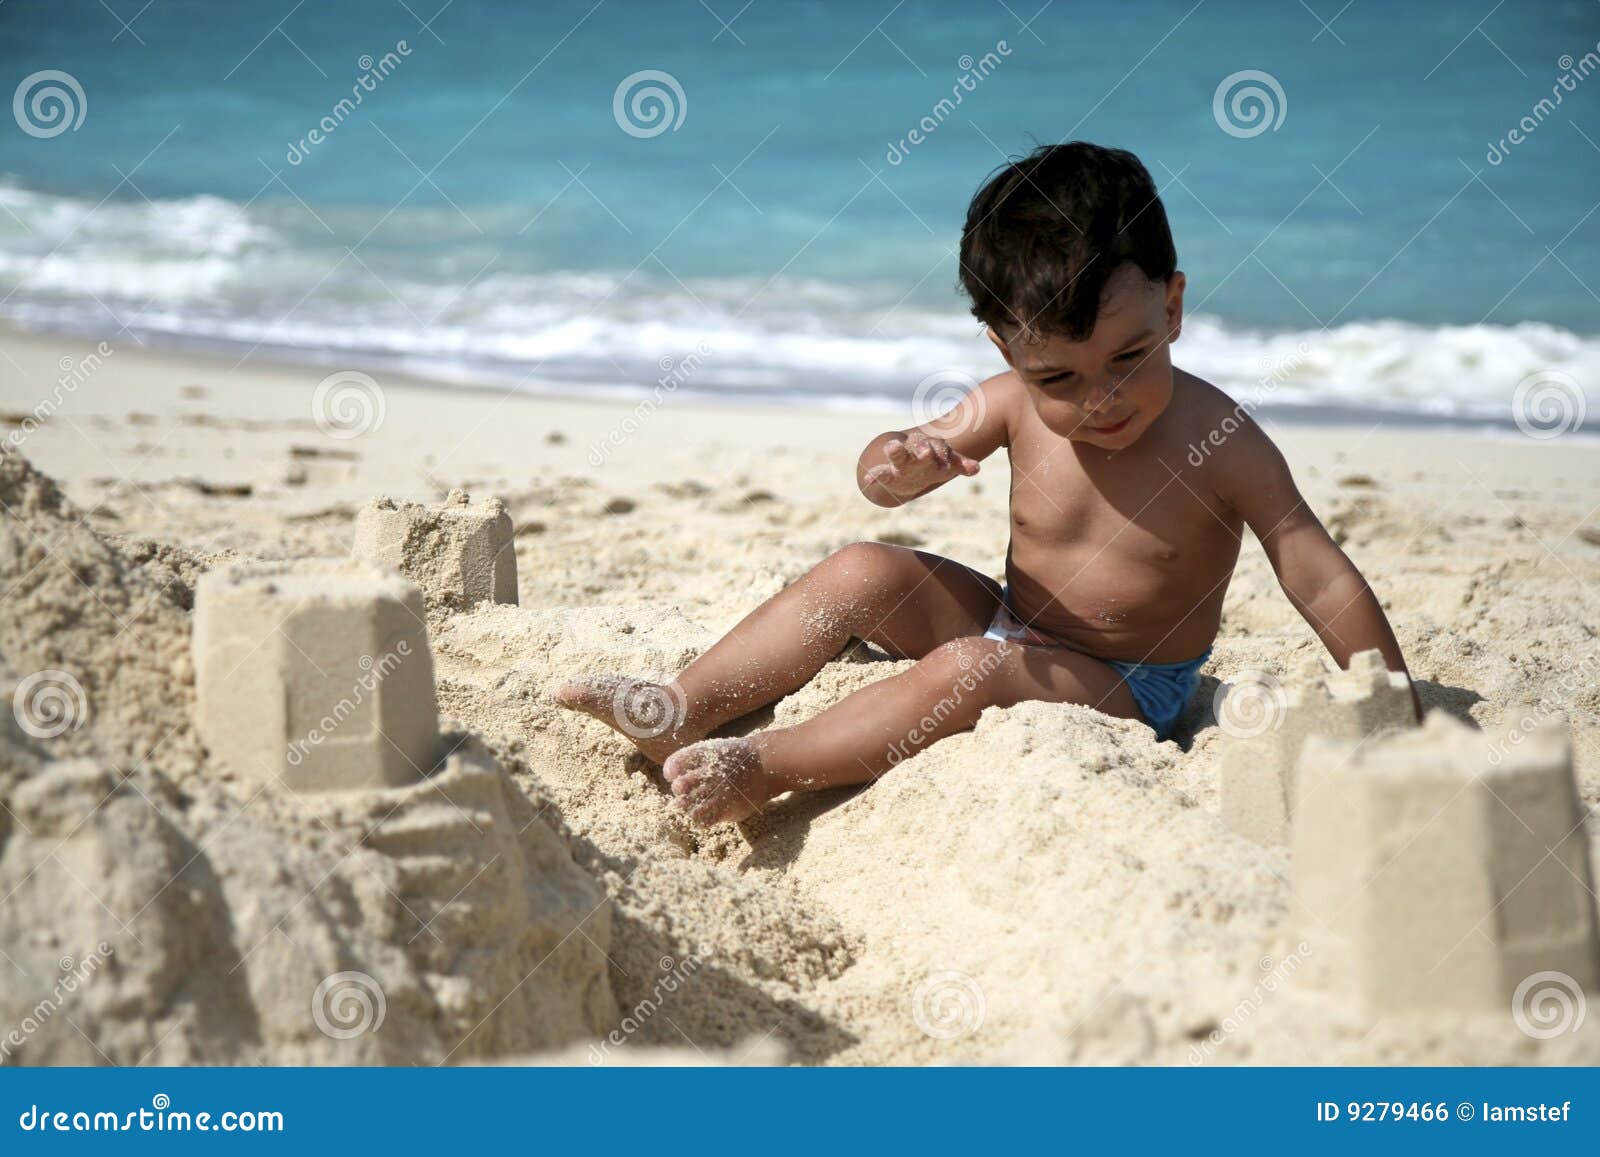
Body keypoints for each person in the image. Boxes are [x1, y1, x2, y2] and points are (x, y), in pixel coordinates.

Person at [556, 141, 1417, 826]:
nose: (1099, 400)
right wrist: (900, 461)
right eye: (1059, 377)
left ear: (1173, 309)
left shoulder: (1220, 437)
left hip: (1130, 683)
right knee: (862, 565)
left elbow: (1312, 564)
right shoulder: (1011, 402)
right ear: (1010, 353)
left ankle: (771, 766)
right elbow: (880, 482)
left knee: (977, 667)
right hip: (1015, 613)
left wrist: (1392, 697)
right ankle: (680, 704)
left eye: (1128, 358)